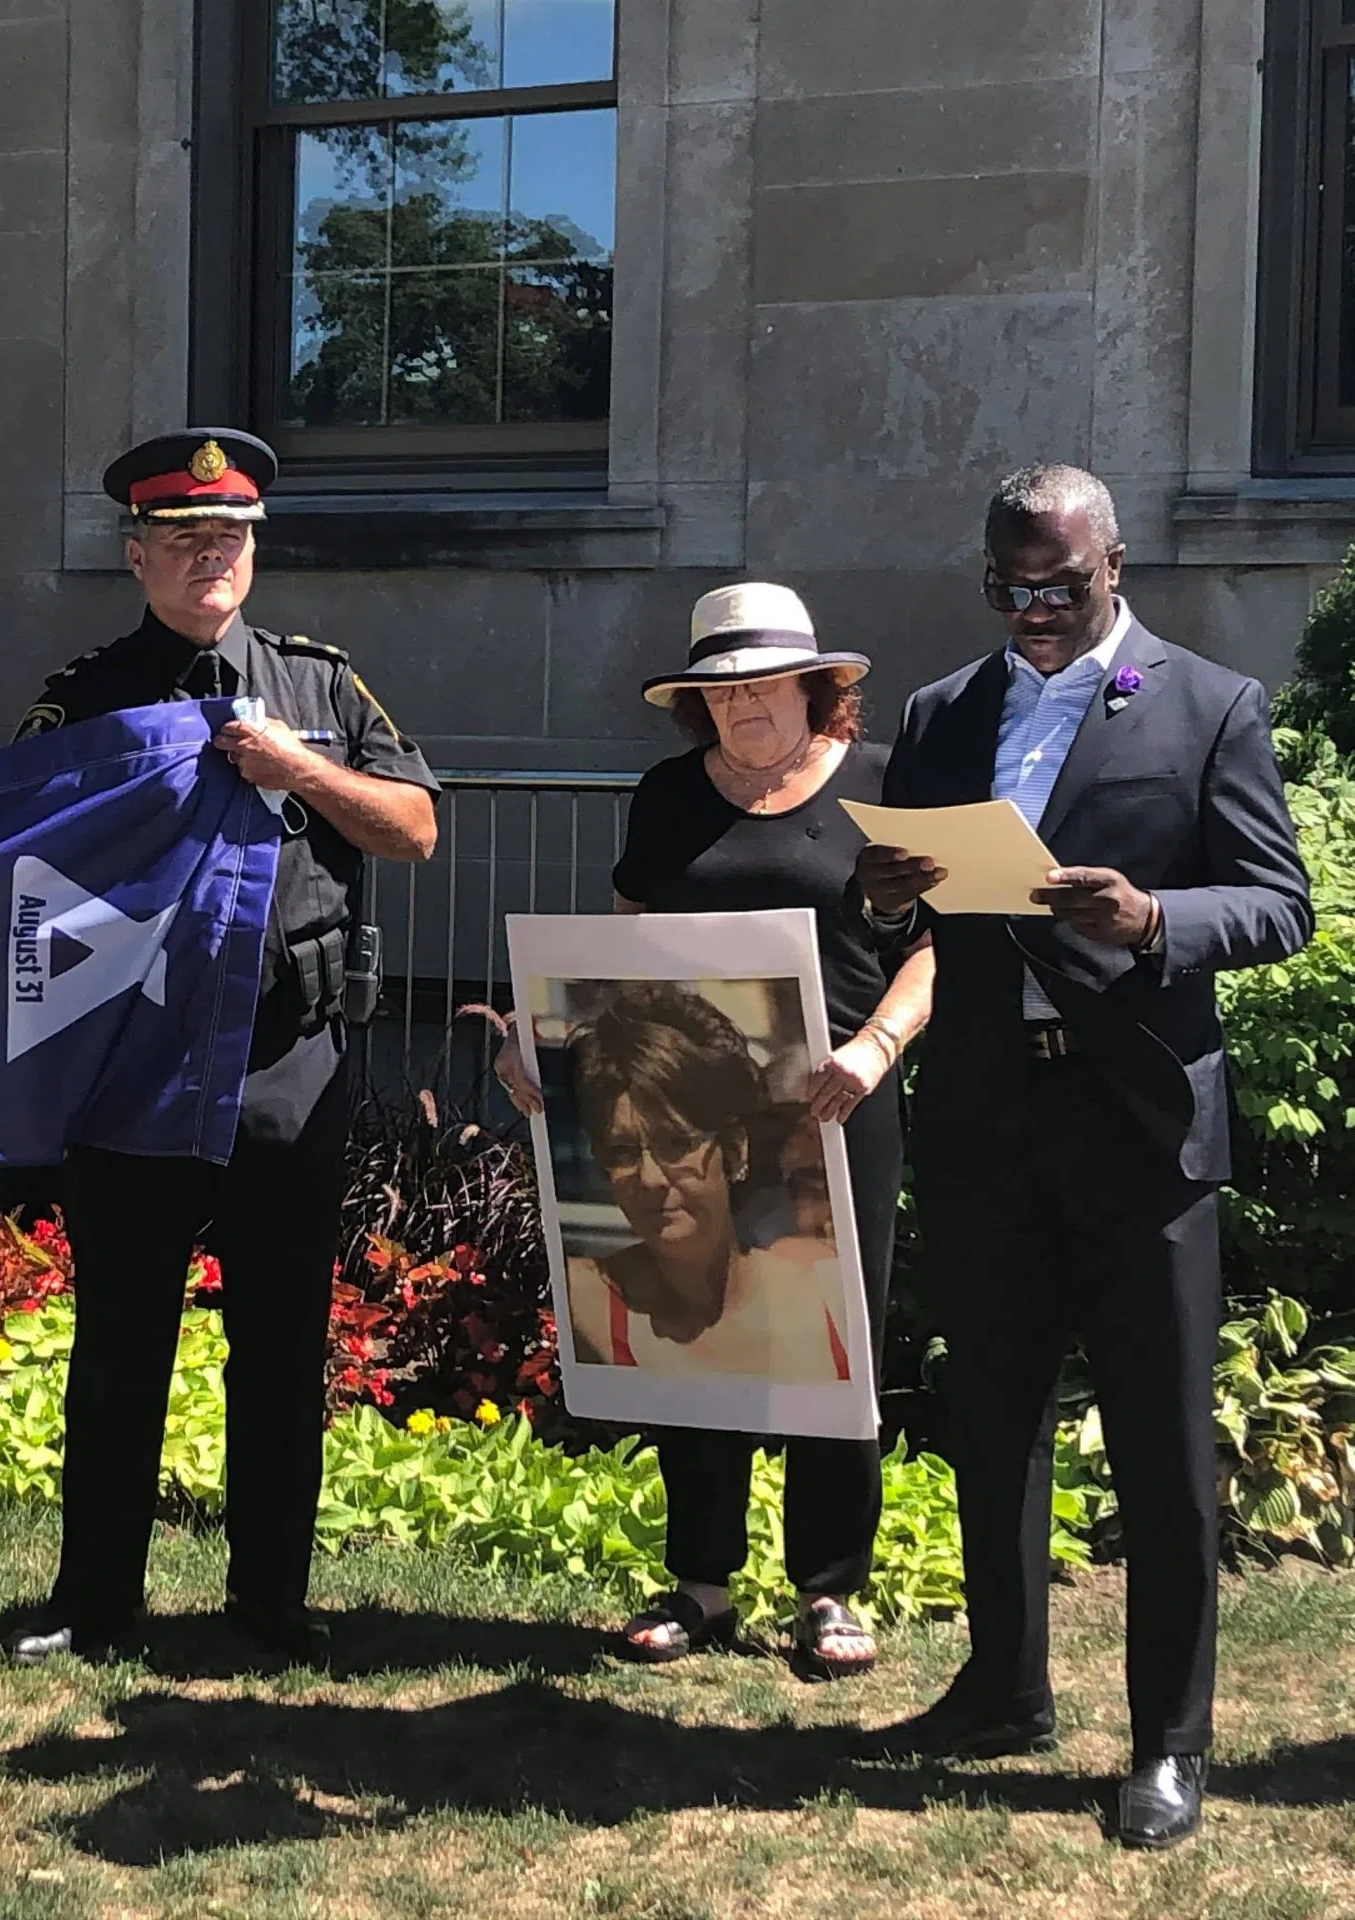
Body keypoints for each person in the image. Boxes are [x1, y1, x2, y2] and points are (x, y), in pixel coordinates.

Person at [853, 466, 1311, 1849]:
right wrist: (881, 892)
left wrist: (1156, 915)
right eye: (1008, 587)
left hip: (1137, 1125)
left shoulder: (1209, 704)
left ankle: (1169, 1744)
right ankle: (1002, 1690)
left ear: (1118, 563)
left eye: (1058, 584)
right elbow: (903, 901)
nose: (1033, 611)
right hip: (990, 1113)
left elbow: (1280, 903)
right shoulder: (945, 712)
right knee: (992, 1418)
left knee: (1162, 1441)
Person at [3, 428, 440, 1666]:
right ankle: (93, 1604)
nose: (213, 557)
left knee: (282, 1340)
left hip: (286, 1057)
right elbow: (15, 856)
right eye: (187, 537)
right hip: (134, 1059)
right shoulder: (84, 696)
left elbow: (412, 829)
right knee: (122, 1336)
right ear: (135, 552)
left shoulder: (319, 686)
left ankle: (269, 1601)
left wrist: (298, 771)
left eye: (233, 537)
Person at [494, 583, 932, 1680]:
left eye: (766, 684)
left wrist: (874, 1049)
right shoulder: (668, 797)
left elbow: (936, 948)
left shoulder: (883, 789)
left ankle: (829, 1591)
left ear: (815, 686)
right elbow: (627, 955)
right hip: (692, 1107)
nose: (744, 706)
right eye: (720, 689)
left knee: (834, 1340)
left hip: (838, 1104)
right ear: (698, 703)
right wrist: (536, 1037)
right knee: (701, 1331)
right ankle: (701, 1583)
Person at [560, 981, 851, 1389]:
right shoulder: (581, 1302)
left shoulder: (829, 1296)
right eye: (622, 1152)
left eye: (677, 1145)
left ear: (735, 1148)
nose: (650, 1178)